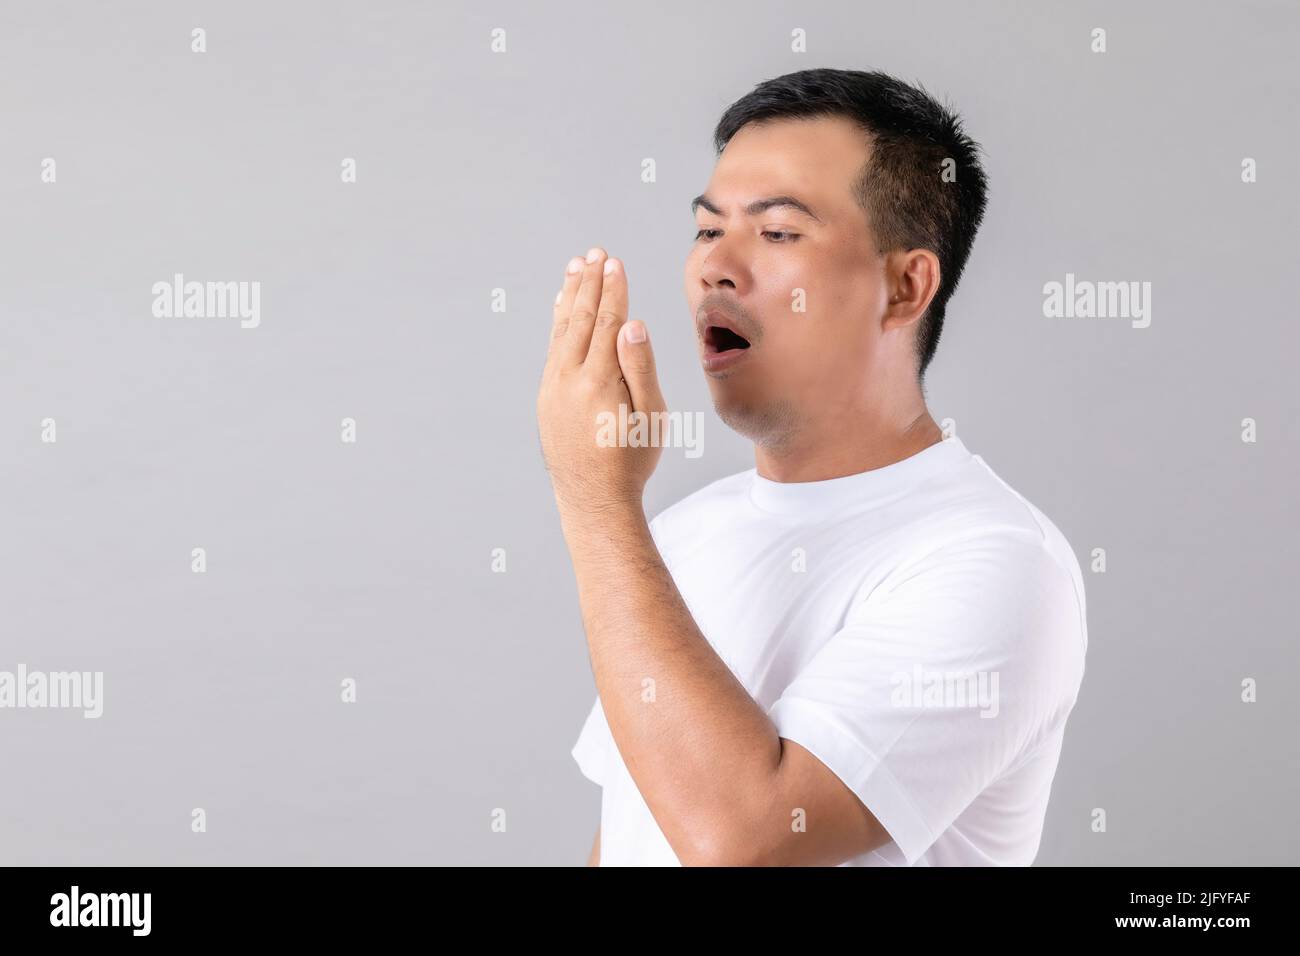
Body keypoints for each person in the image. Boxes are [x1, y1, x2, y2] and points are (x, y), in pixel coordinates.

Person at [536, 68, 1087, 866]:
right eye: (705, 229)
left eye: (778, 233)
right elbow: (630, 835)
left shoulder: (996, 563)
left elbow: (745, 840)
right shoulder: (681, 534)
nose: (715, 267)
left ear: (905, 287)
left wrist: (594, 501)